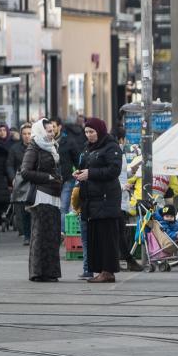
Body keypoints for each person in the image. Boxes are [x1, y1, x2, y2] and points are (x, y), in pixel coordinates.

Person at [74, 118, 123, 283]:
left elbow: (114, 170)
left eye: (91, 132)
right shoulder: (89, 147)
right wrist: (81, 173)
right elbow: (89, 166)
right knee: (97, 236)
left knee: (106, 236)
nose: (89, 135)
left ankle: (108, 271)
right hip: (92, 199)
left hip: (106, 198)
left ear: (100, 131)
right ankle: (102, 270)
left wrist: (90, 173)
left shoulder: (111, 146)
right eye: (86, 132)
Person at [20, 119, 64, 282]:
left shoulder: (52, 147)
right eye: (49, 131)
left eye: (53, 130)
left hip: (53, 193)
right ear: (40, 131)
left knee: (52, 235)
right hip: (41, 195)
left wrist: (58, 176)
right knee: (40, 235)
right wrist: (48, 177)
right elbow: (25, 171)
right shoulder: (34, 146)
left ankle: (51, 272)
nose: (52, 133)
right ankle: (38, 273)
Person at [8, 123, 31, 246]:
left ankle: (33, 234)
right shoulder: (15, 148)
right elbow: (9, 165)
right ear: (21, 135)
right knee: (23, 210)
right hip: (21, 182)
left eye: (29, 133)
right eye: (25, 134)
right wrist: (12, 178)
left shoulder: (38, 147)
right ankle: (27, 235)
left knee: (33, 209)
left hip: (35, 181)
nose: (27, 136)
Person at [56, 118, 85, 215]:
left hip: (67, 178)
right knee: (57, 207)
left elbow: (77, 159)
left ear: (59, 127)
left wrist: (79, 173)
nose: (51, 130)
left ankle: (62, 230)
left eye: (53, 127)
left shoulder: (68, 141)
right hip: (53, 179)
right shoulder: (47, 142)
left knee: (63, 206)